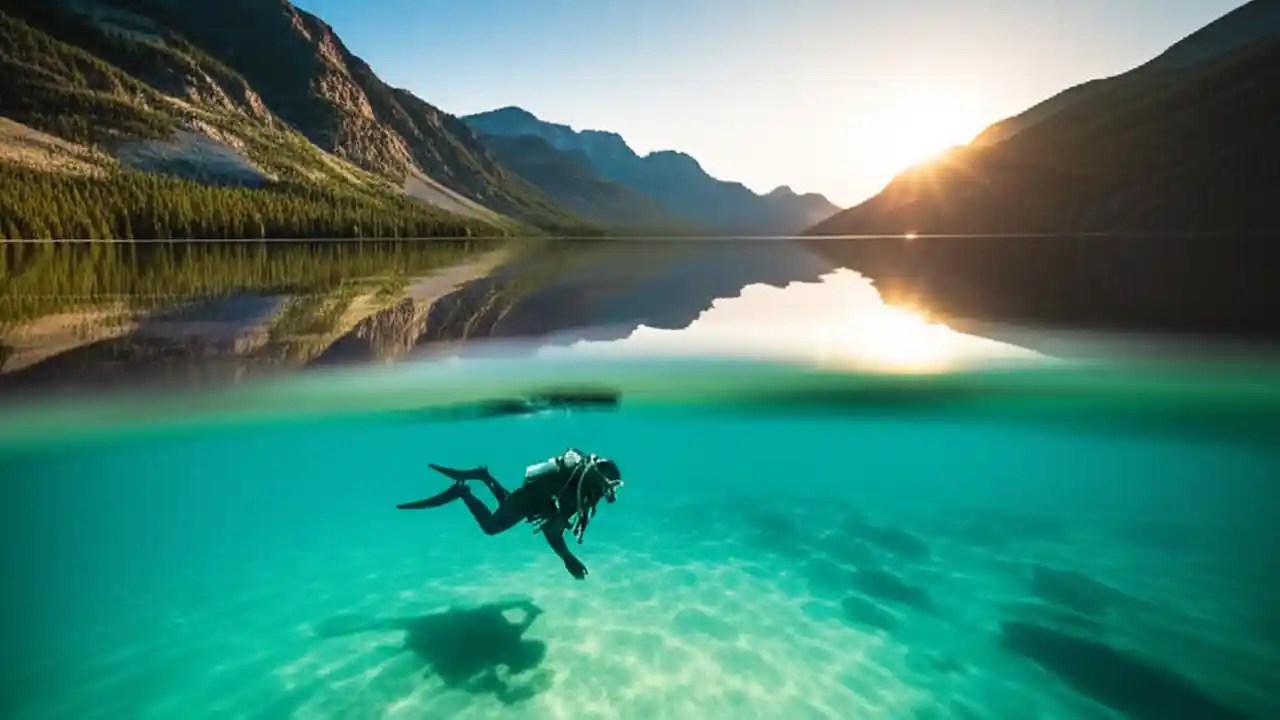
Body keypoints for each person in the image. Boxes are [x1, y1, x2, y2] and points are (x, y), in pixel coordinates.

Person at [396, 448, 623, 580]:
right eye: (605, 490)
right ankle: (462, 492)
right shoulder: (577, 493)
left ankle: (484, 476)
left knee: (511, 504)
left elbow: (551, 518)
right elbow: (551, 530)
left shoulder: (576, 482)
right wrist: (568, 558)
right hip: (529, 500)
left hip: (530, 498)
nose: (604, 496)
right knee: (492, 527)